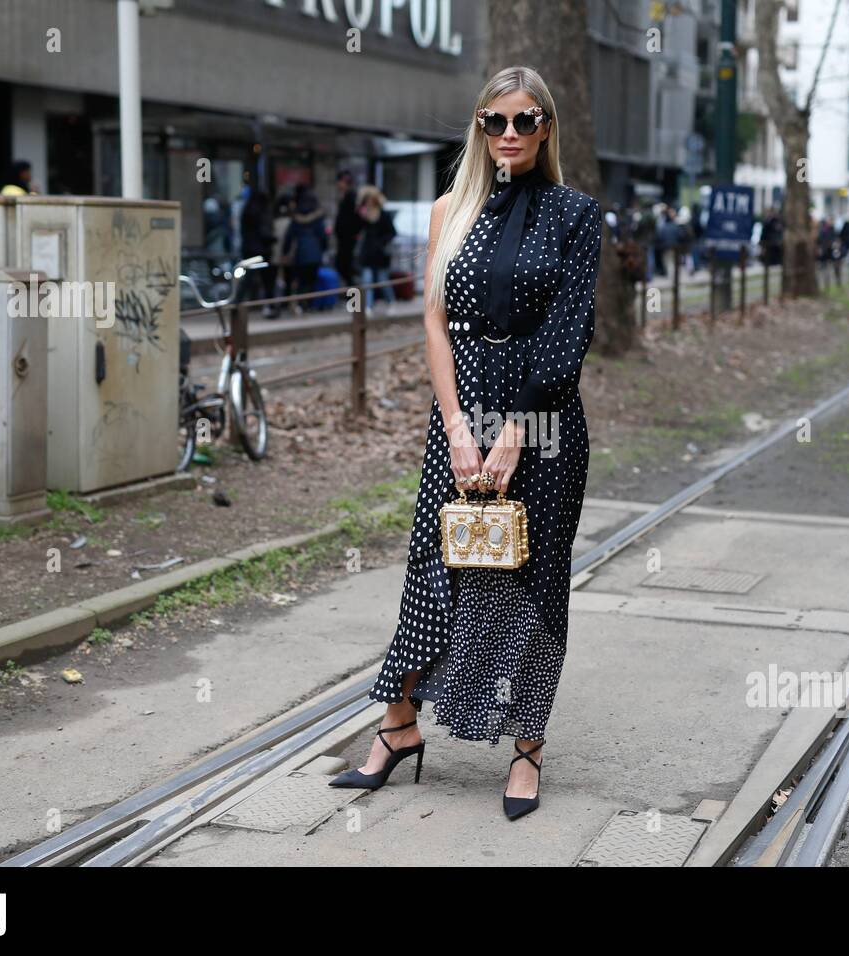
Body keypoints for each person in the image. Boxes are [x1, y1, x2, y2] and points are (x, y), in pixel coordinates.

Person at [329, 66, 602, 822]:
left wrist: (513, 429)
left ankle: (526, 750)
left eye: (523, 121)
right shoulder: (452, 206)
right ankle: (398, 728)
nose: (508, 134)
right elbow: (434, 321)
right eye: (494, 121)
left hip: (542, 424)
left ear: (546, 127)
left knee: (531, 580)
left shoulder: (576, 214)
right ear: (478, 126)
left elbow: (569, 329)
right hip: (459, 413)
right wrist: (456, 426)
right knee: (435, 564)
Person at [283, 184, 327, 314]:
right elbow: (323, 236)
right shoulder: (318, 218)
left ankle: (302, 304)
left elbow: (289, 237)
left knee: (302, 281)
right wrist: (323, 249)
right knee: (312, 280)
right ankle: (310, 304)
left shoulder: (296, 219)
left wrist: (285, 252)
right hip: (315, 253)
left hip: (301, 253)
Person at [355, 185, 397, 312]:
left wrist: (382, 243)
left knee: (382, 280)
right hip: (367, 254)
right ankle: (368, 306)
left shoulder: (383, 215)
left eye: (370, 199)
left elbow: (392, 232)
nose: (368, 202)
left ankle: (391, 302)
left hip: (380, 254)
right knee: (367, 280)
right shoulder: (362, 214)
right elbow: (356, 229)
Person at [237, 189, 277, 316]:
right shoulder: (262, 212)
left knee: (248, 279)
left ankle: (237, 302)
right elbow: (264, 233)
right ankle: (270, 306)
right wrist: (273, 239)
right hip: (262, 251)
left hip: (248, 249)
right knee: (267, 280)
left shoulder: (247, 210)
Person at [333, 170, 363, 286]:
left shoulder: (351, 197)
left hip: (348, 238)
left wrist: (354, 232)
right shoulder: (346, 196)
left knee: (344, 265)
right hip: (345, 237)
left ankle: (353, 291)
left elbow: (357, 218)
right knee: (342, 265)